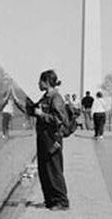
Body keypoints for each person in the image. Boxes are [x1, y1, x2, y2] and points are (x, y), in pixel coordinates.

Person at [13, 69, 70, 209]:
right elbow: (32, 110)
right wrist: (17, 102)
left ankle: (61, 201)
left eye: (40, 81)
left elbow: (59, 120)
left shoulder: (55, 98)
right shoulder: (46, 97)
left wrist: (42, 114)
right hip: (44, 138)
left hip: (52, 139)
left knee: (54, 170)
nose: (38, 83)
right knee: (44, 170)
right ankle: (50, 200)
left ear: (47, 82)